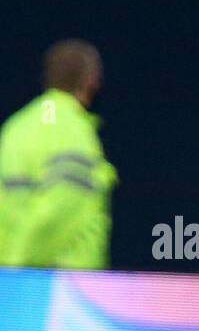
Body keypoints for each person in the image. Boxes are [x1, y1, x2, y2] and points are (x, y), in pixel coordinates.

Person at [0, 39, 117, 269]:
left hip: (11, 279)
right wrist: (20, 264)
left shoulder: (17, 126)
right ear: (91, 80)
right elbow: (64, 204)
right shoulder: (74, 130)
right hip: (59, 284)